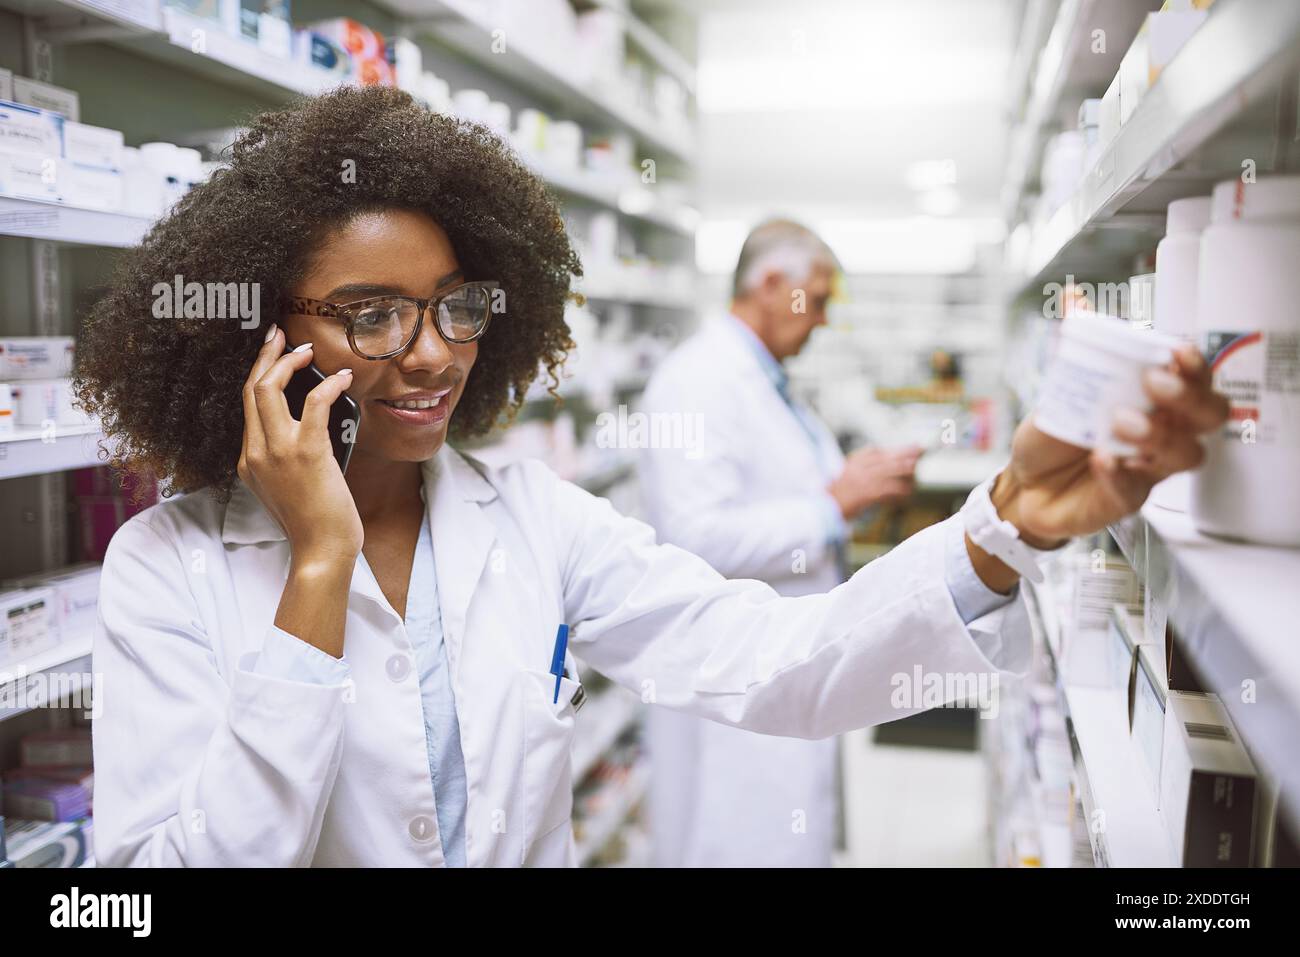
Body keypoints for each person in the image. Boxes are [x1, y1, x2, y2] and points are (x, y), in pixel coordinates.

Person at [75, 87, 1228, 868]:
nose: (430, 354)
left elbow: (776, 661)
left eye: (455, 307)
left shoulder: (534, 521)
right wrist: (319, 565)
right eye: (370, 315)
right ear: (261, 340)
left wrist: (1004, 524)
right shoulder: (166, 570)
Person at [637, 220, 923, 867]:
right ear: (770, 285)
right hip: (736, 679)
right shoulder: (699, 382)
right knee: (743, 837)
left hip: (783, 669)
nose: (821, 321)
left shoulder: (766, 380)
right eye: (816, 301)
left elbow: (783, 497)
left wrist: (854, 490)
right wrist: (834, 502)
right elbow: (696, 534)